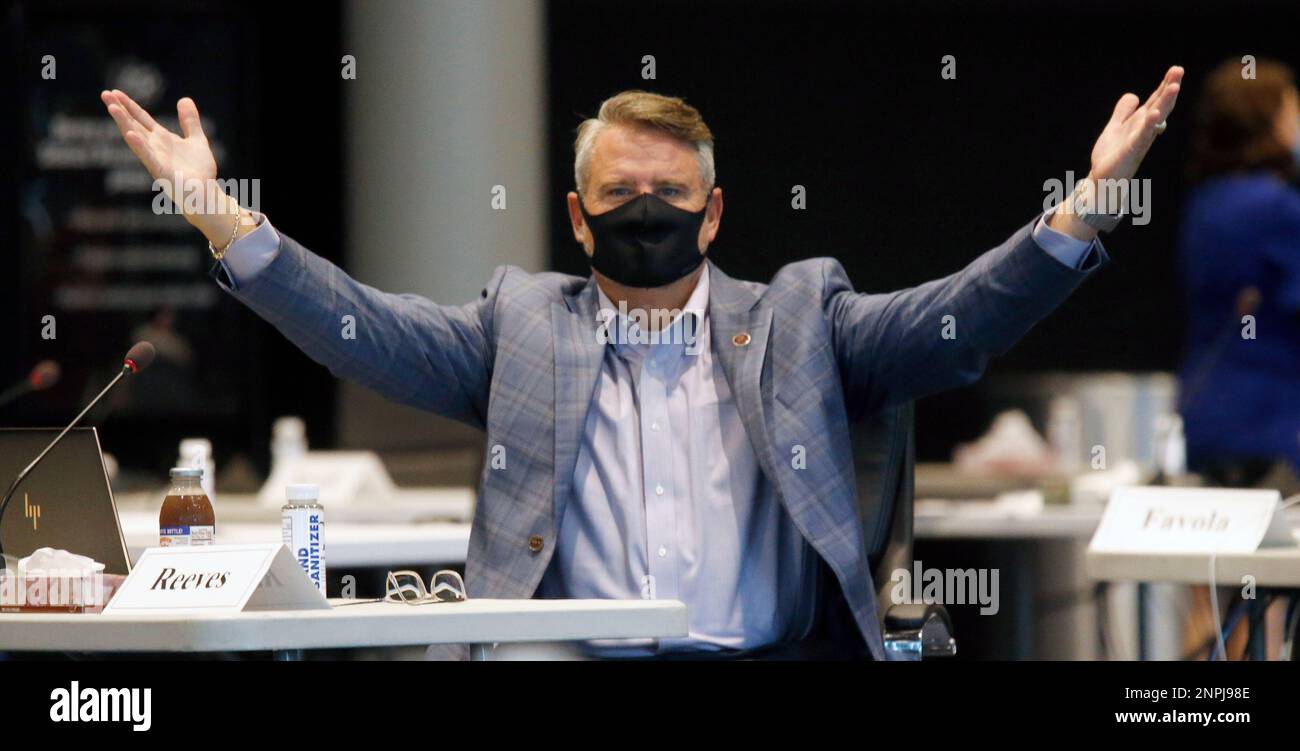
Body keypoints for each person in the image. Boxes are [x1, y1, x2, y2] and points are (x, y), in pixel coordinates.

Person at [99, 68, 1182, 660]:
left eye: (671, 196)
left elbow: (967, 313)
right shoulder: (520, 326)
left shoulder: (806, 317)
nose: (645, 213)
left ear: (713, 216)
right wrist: (216, 215)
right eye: (619, 194)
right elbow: (359, 326)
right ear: (576, 216)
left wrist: (1083, 210)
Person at [1178, 59, 1300, 491]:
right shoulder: (1276, 207)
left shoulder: (1205, 203)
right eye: (1293, 111)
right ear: (1269, 119)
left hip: (1208, 418)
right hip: (1274, 428)